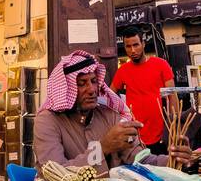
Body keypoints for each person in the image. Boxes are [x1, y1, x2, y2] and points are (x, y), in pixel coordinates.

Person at [34, 50, 192, 171]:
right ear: (66, 89)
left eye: (94, 81)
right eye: (82, 83)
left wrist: (172, 160)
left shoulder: (109, 116)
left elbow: (141, 161)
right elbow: (54, 174)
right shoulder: (47, 121)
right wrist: (102, 148)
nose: (92, 90)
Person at [109, 28, 175, 153]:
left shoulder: (161, 64)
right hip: (134, 136)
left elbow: (172, 95)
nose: (132, 50)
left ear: (143, 44)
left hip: (162, 134)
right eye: (128, 46)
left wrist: (174, 124)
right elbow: (110, 96)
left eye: (136, 45)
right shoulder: (123, 70)